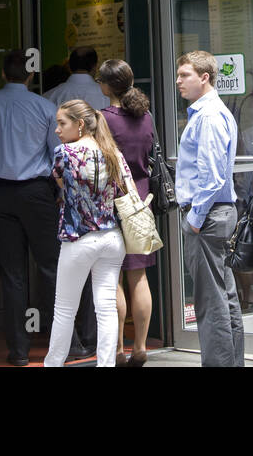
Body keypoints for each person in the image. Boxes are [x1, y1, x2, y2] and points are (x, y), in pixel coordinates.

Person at [0, 49, 61, 366]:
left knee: (12, 274)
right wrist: (62, 192)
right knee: (51, 268)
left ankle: (18, 351)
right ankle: (61, 344)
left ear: (3, 74)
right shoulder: (45, 107)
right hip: (37, 193)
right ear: (30, 76)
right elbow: (59, 155)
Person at [44, 100, 131, 366]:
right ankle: (107, 363)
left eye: (62, 123)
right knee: (106, 308)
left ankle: (53, 363)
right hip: (112, 237)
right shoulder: (112, 151)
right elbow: (125, 189)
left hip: (78, 238)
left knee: (64, 309)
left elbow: (61, 183)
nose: (57, 130)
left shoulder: (64, 153)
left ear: (80, 124)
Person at [174, 50, 244, 366]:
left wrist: (196, 218)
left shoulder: (208, 116)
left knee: (211, 302)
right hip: (215, 213)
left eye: (184, 75)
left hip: (209, 215)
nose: (178, 81)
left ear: (204, 77)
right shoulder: (211, 113)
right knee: (223, 297)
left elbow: (212, 176)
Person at [97, 58, 156, 367]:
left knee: (113, 277)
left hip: (113, 199)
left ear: (106, 86)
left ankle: (118, 348)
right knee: (139, 275)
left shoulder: (102, 119)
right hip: (141, 199)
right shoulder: (146, 116)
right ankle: (141, 347)